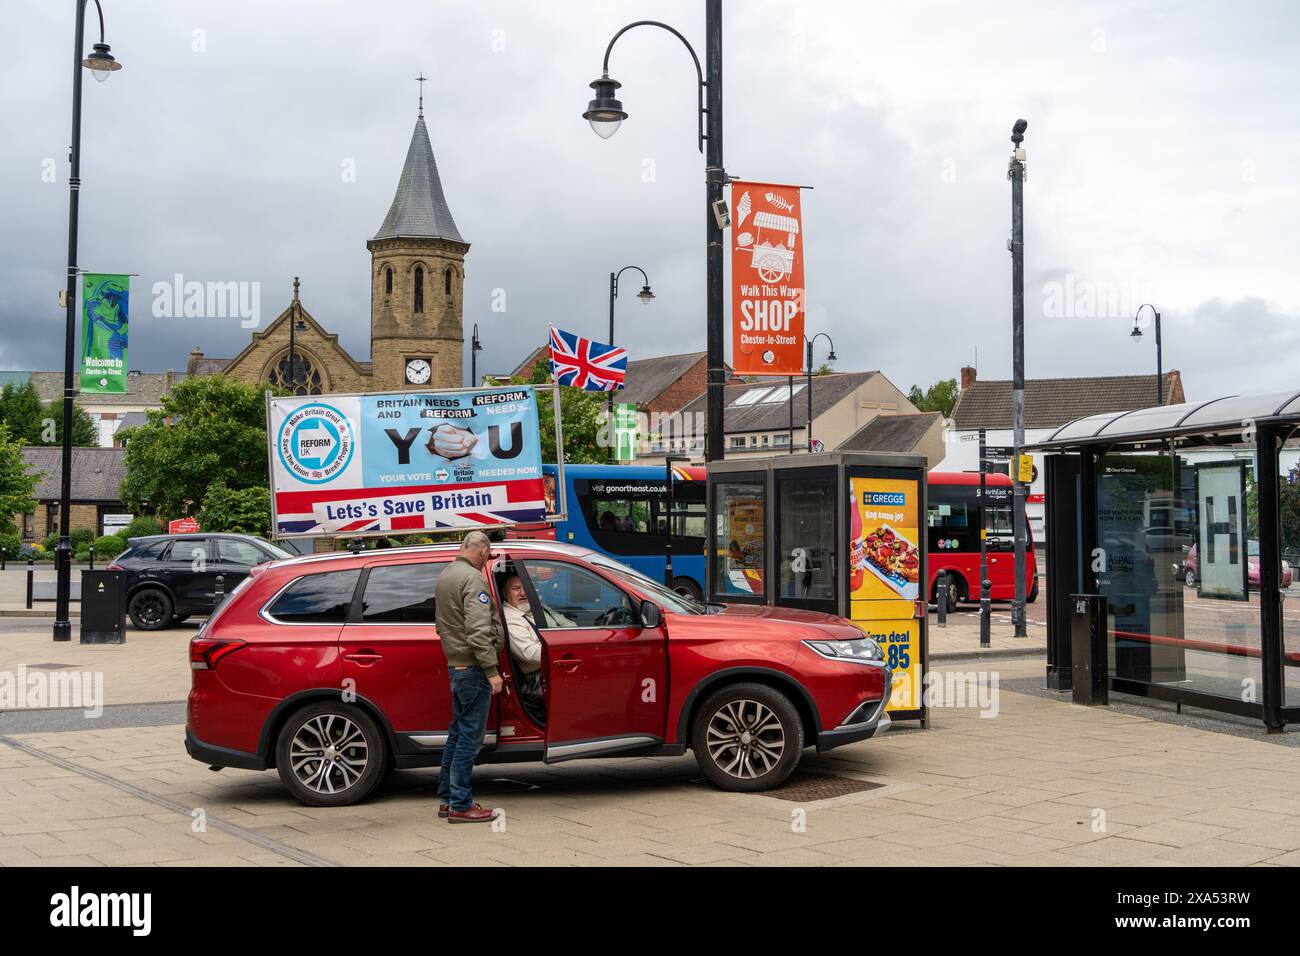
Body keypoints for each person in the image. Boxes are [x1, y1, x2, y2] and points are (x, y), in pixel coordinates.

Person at [433, 531, 503, 824]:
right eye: (488, 554)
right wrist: (492, 670)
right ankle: (461, 804)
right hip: (473, 668)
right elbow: (477, 630)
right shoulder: (473, 579)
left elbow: (440, 625)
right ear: (484, 551)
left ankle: (448, 799)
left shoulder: (447, 574)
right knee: (469, 739)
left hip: (457, 666)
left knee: (457, 733)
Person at [500, 573, 546, 722]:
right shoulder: (510, 618)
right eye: (516, 588)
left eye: (526, 587)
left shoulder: (527, 611)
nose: (523, 592)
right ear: (505, 594)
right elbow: (530, 654)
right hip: (537, 682)